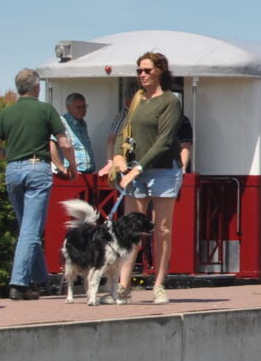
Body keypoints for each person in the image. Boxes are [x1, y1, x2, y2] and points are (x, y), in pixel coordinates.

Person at [100, 52, 183, 304]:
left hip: (164, 170)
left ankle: (159, 285)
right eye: (139, 71)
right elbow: (125, 134)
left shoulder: (170, 101)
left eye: (147, 70)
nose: (142, 75)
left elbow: (165, 141)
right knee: (129, 231)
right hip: (134, 173)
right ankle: (123, 288)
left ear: (160, 71)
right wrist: (117, 158)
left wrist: (137, 169)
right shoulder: (137, 99)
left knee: (162, 230)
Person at [0, 68, 75, 300]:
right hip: (37, 169)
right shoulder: (46, 109)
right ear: (37, 87)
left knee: (28, 227)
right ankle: (18, 284)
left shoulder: (7, 113)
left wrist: (10, 156)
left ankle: (40, 281)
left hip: (13, 170)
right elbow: (65, 143)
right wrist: (72, 167)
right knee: (31, 230)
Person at [61, 93, 96, 174]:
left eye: (84, 107)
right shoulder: (61, 122)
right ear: (68, 107)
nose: (82, 110)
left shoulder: (83, 123)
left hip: (87, 172)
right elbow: (52, 146)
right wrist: (62, 169)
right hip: (72, 173)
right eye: (78, 107)